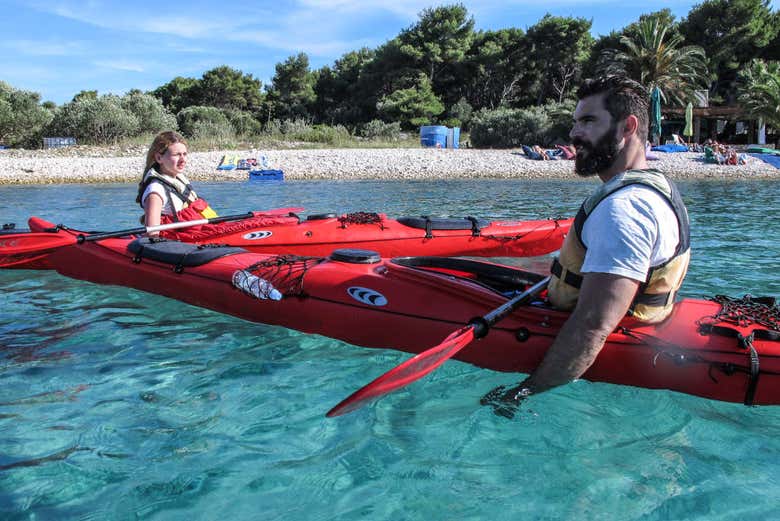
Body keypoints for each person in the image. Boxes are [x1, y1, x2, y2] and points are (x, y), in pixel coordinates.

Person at [482, 76, 691, 417]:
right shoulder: (651, 188)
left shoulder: (626, 209)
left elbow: (593, 326)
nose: (574, 134)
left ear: (628, 127)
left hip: (612, 348)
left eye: (589, 121)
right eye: (576, 122)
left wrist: (521, 394)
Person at [136, 131, 218, 233]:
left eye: (184, 154)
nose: (183, 159)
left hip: (202, 234)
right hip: (180, 243)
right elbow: (152, 235)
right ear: (159, 158)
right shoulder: (156, 191)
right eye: (177, 155)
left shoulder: (178, 179)